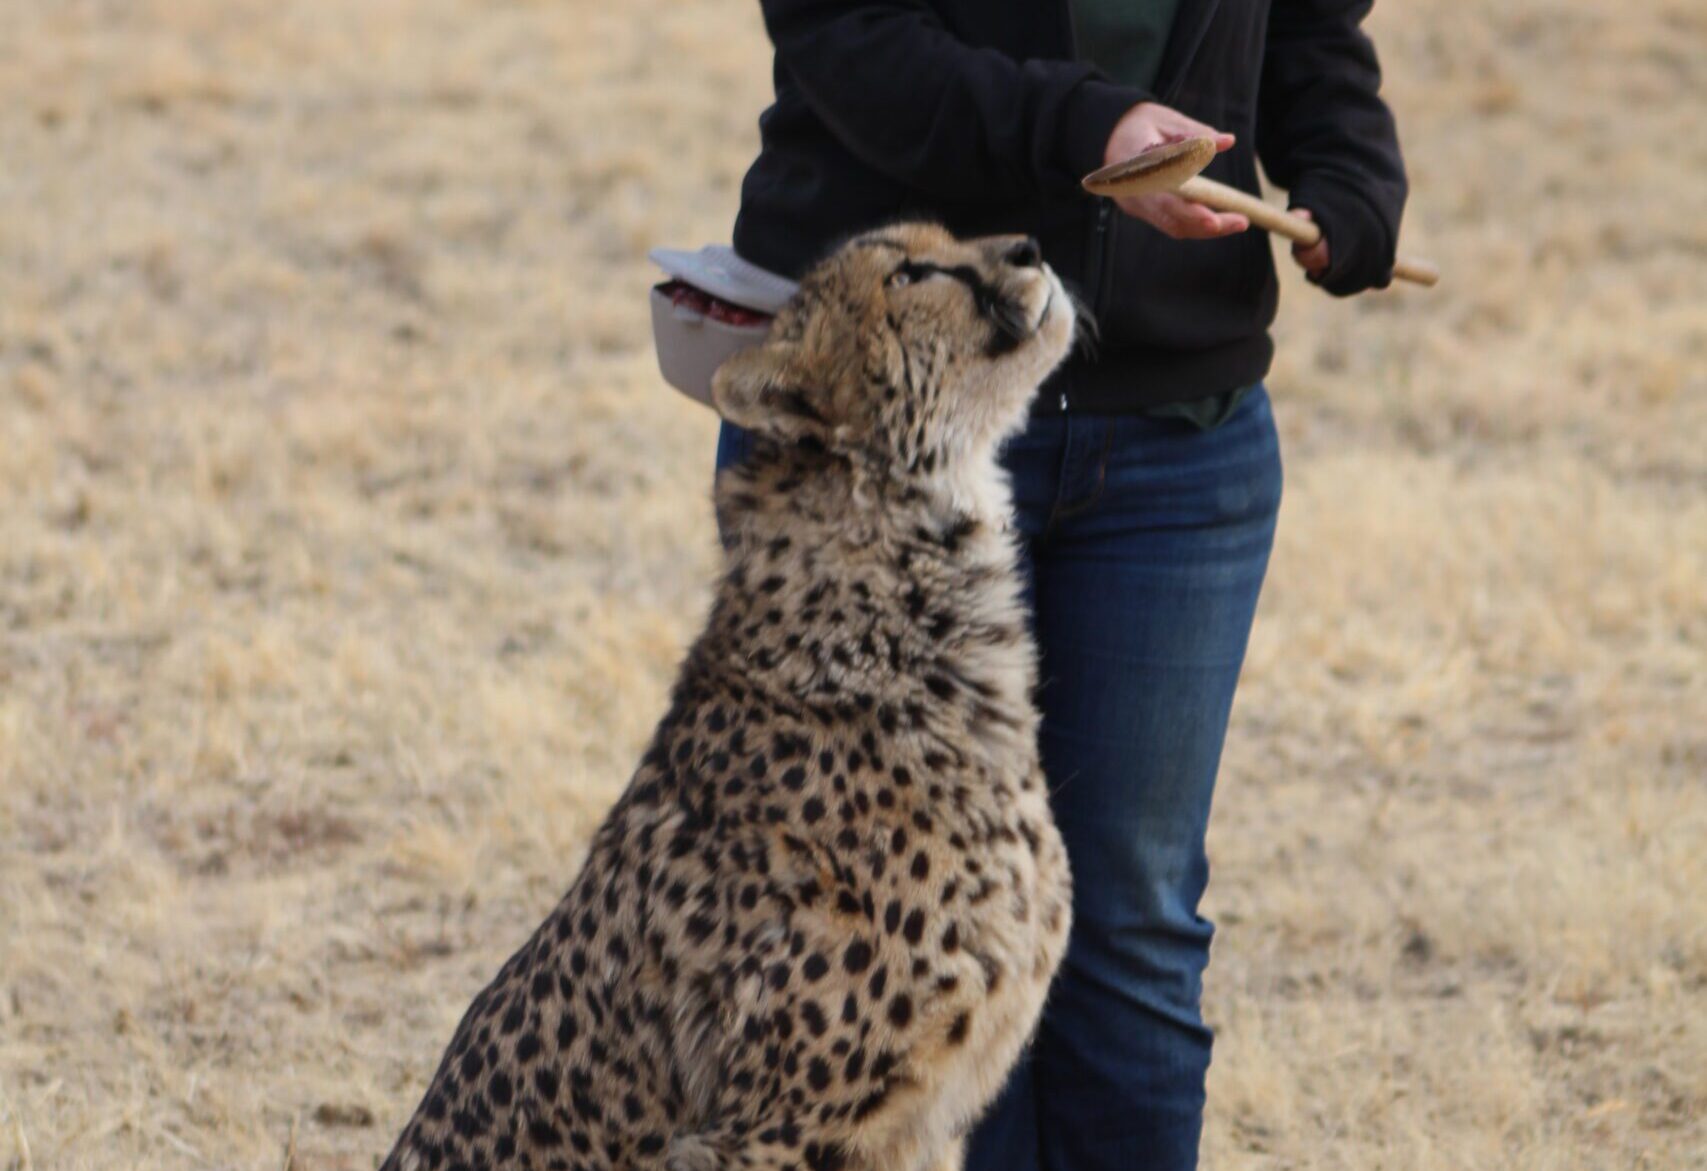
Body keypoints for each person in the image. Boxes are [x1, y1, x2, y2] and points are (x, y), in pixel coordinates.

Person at [713, 2, 1408, 1168]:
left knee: (1128, 932)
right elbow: (847, 39)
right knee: (872, 926)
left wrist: (1349, 170)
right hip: (886, 438)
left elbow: (1305, 31)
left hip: (1175, 435)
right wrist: (1094, 130)